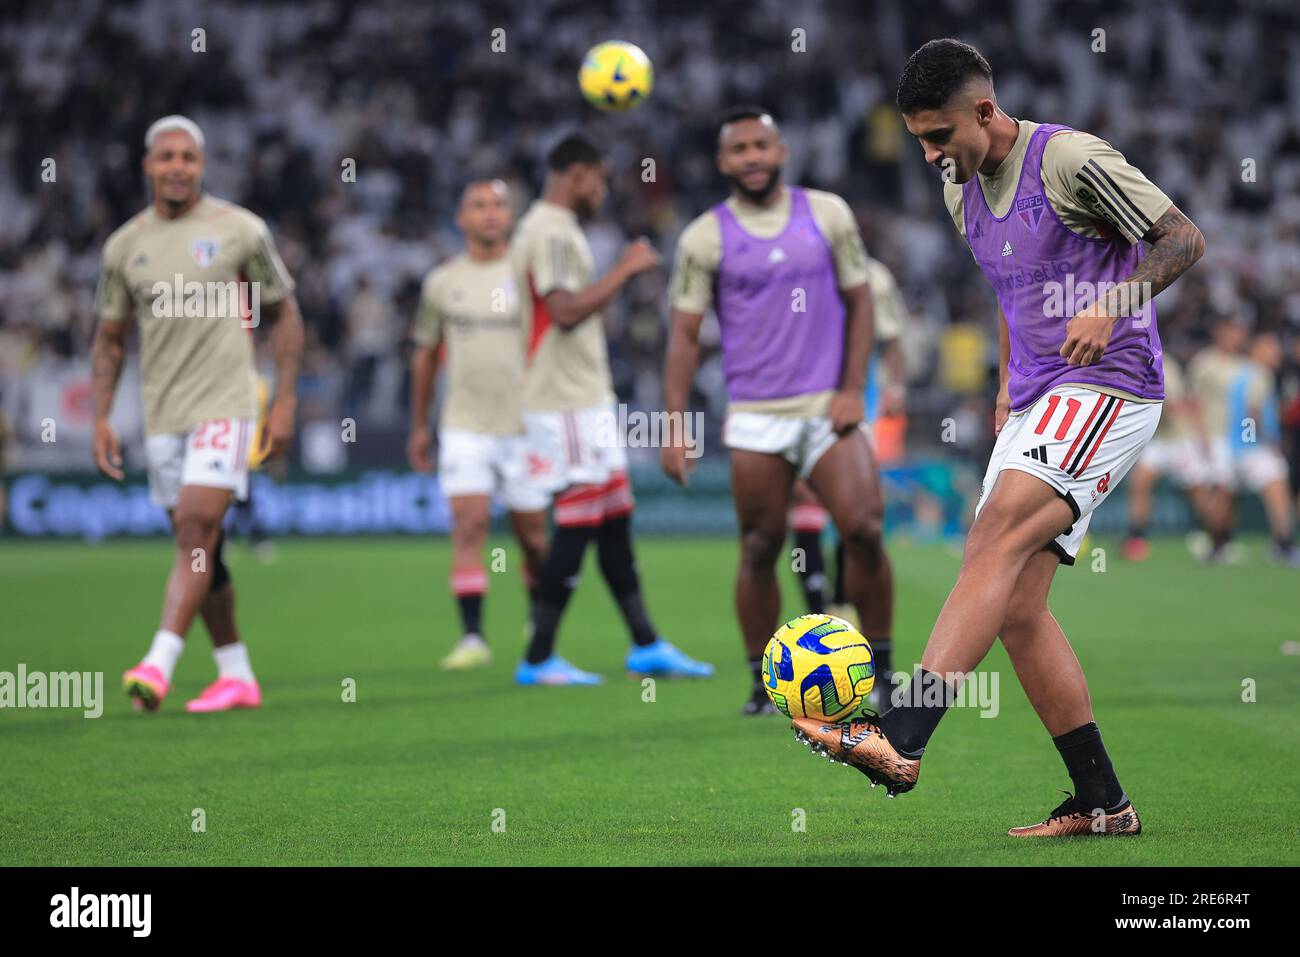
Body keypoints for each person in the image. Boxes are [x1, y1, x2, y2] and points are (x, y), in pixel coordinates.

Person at [792, 40, 1205, 837]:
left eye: (939, 135)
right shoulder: (961, 192)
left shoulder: (1072, 161)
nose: (928, 152)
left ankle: (900, 735)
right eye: (917, 137)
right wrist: (1010, 379)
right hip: (1038, 400)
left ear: (985, 111)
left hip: (1111, 384)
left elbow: (1183, 239)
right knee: (1016, 607)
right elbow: (1012, 287)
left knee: (992, 535)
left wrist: (1112, 302)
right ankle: (1103, 802)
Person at [662, 108, 892, 714]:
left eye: (761, 145)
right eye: (739, 149)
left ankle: (886, 668)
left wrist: (851, 389)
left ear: (782, 150)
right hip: (756, 414)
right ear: (722, 162)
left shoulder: (828, 213)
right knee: (760, 545)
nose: (752, 157)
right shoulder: (703, 237)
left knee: (864, 530)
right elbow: (683, 337)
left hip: (826, 407)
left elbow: (861, 303)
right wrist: (674, 425)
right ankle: (762, 684)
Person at [93, 115, 304, 713]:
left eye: (188, 156)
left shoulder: (240, 230)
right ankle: (236, 674)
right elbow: (109, 338)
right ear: (148, 166)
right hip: (162, 414)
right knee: (200, 548)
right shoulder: (124, 245)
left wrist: (284, 401)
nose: (178, 166)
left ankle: (158, 663)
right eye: (166, 157)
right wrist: (103, 416)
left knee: (193, 530)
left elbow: (285, 314)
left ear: (202, 165)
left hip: (226, 402)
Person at [513, 133, 714, 685]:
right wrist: (626, 269)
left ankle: (645, 644)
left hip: (584, 398)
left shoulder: (555, 229)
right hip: (561, 401)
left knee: (614, 520)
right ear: (577, 174)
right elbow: (564, 311)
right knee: (576, 525)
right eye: (599, 178)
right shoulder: (550, 230)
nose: (603, 190)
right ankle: (538, 657)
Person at [407, 179, 549, 670]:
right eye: (479, 206)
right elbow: (424, 355)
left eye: (499, 206)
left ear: (510, 218)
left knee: (532, 536)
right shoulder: (443, 281)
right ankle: (472, 638)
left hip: (525, 426)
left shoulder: (530, 277)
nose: (490, 214)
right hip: (464, 425)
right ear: (461, 219)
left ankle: (539, 623)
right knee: (468, 526)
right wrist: (419, 425)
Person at [1188, 323, 1299, 564]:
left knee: (1225, 494)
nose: (1276, 351)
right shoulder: (1258, 373)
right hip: (1251, 446)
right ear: (1258, 349)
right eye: (1270, 346)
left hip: (1231, 444)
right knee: (1277, 488)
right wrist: (1266, 440)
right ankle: (1284, 545)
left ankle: (1217, 546)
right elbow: (1253, 410)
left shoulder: (1241, 371)